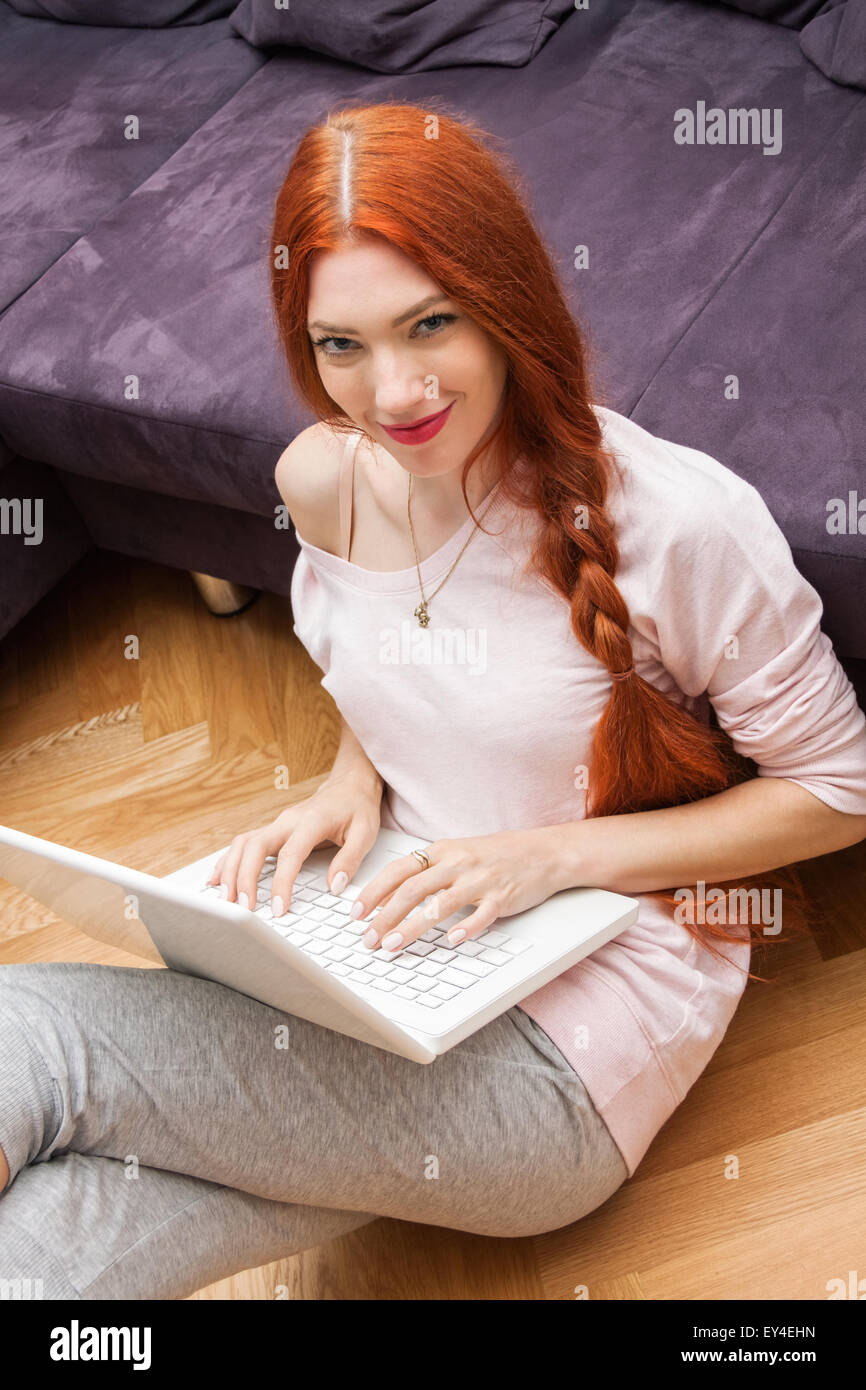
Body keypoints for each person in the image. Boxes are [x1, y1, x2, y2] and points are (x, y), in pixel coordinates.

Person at [2, 102, 865, 1301]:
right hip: (391, 943)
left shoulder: (678, 523)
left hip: (566, 1058)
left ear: (506, 299)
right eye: (340, 345)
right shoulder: (324, 482)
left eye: (430, 324)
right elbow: (395, 648)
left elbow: (836, 795)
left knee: (33, 1042)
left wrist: (544, 859)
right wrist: (350, 777)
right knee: (58, 1237)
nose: (391, 391)